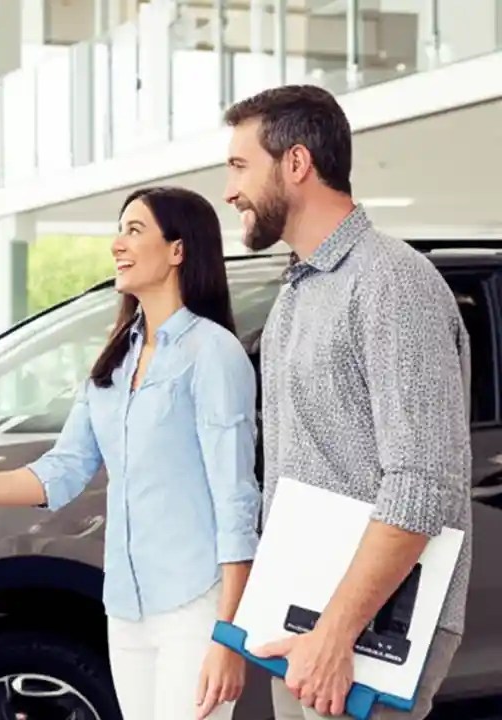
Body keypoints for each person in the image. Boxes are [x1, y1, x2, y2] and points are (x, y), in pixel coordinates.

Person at [0, 186, 261, 720]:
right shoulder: (116, 358)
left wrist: (228, 635)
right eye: (119, 231)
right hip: (125, 607)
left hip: (195, 605)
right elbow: (62, 471)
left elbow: (237, 500)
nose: (117, 244)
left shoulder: (213, 353)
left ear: (178, 249)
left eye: (134, 230)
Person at [222, 85, 472, 719]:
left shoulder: (393, 283)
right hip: (303, 614)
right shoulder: (295, 296)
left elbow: (422, 484)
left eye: (241, 166)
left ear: (296, 163)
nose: (230, 191)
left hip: (367, 628)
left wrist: (336, 631)